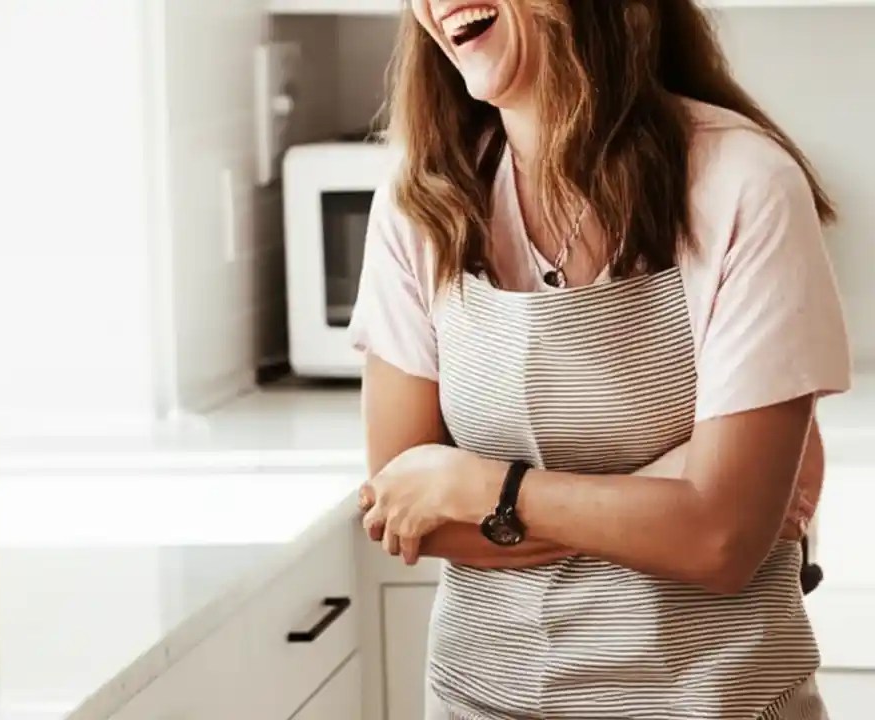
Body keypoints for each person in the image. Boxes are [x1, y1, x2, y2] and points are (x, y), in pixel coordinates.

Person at [348, 1, 852, 718]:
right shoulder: (420, 203)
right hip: (481, 700)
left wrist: (475, 486)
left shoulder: (745, 183)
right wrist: (667, 494)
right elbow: (405, 509)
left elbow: (722, 543)